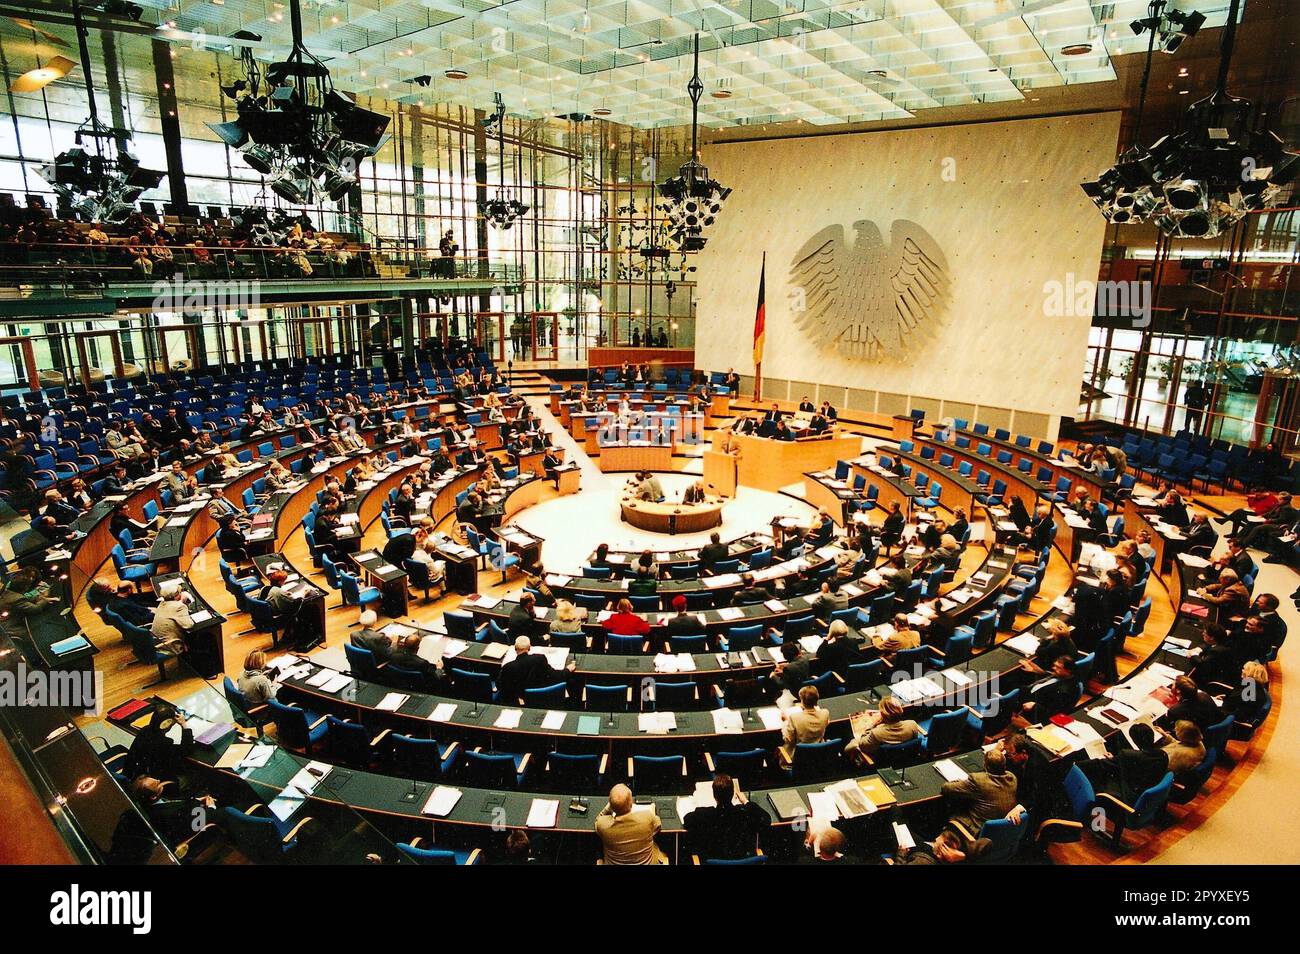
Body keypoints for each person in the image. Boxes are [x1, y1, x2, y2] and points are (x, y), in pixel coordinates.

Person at [682, 775, 771, 861]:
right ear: (732, 793)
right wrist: (746, 802)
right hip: (741, 858)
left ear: (714, 795)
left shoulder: (703, 814)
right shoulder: (744, 811)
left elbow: (686, 820)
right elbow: (766, 819)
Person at [941, 748, 1018, 842]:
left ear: (985, 765)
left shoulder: (978, 781)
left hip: (978, 830)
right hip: (1002, 832)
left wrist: (961, 782)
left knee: (952, 811)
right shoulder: (1012, 778)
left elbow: (946, 788)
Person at [595, 784, 667, 865]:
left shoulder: (603, 824)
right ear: (631, 803)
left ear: (611, 805)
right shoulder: (647, 817)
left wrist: (607, 809)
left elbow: (597, 820)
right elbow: (658, 825)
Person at [844, 696, 922, 764]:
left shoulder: (876, 733)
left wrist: (873, 725)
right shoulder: (912, 725)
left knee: (851, 740)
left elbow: (862, 744)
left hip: (881, 762)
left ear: (883, 715)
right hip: (906, 760)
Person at [497, 636, 573, 704]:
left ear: (515, 648)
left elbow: (499, 685)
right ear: (529, 647)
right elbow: (554, 675)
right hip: (545, 698)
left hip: (521, 701)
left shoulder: (507, 667)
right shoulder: (539, 659)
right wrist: (567, 670)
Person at [779, 686, 830, 763]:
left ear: (802, 701)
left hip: (799, 758)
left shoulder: (794, 718)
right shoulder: (825, 713)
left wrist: (785, 721)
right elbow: (826, 723)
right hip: (819, 755)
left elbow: (788, 739)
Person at [150, 581, 193, 655]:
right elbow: (188, 625)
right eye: (180, 592)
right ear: (177, 596)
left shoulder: (162, 603)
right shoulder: (179, 606)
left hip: (157, 640)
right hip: (170, 644)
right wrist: (183, 603)